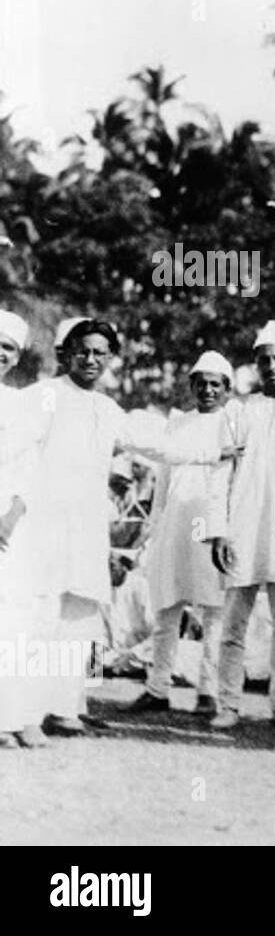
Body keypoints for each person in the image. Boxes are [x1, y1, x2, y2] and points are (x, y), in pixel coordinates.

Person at [18, 319, 234, 736]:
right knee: (42, 617)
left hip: (85, 526)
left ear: (110, 359)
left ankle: (64, 709)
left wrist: (213, 450)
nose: (91, 359)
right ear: (66, 353)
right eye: (83, 350)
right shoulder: (40, 397)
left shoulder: (107, 409)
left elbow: (160, 445)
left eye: (101, 353)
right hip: (42, 524)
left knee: (80, 619)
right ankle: (27, 716)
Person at [126, 351, 239, 717]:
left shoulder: (234, 424)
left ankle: (208, 693)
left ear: (227, 389)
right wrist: (155, 526)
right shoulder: (176, 423)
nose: (207, 390)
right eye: (201, 383)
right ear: (191, 385)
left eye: (215, 384)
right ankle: (158, 688)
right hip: (175, 523)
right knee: (166, 608)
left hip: (212, 525)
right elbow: (163, 479)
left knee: (213, 613)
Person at [206, 322, 275, 731]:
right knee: (233, 625)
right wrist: (219, 530)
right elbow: (218, 473)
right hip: (242, 528)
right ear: (256, 366)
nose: (272, 366)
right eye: (265, 360)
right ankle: (228, 704)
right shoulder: (238, 411)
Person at [0, 309, 47, 748]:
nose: (0, 353)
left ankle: (17, 714)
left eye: (8, 348)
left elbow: (31, 469)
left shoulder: (19, 404)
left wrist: (12, 515)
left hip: (9, 522)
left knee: (16, 616)